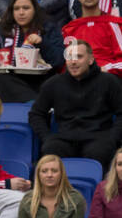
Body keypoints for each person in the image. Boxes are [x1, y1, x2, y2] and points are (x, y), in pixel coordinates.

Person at [31, 39, 122, 169]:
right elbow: (36, 114)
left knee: (101, 151)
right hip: (64, 138)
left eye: (79, 57)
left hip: (98, 138)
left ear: (90, 60)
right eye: (69, 57)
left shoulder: (109, 82)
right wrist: (47, 137)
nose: (73, 62)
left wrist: (113, 138)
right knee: (50, 149)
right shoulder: (53, 84)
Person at [0, 0, 66, 103]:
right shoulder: (4, 30)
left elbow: (59, 60)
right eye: (16, 9)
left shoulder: (48, 28)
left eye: (26, 8)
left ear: (35, 10)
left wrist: (42, 43)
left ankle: (35, 104)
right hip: (10, 80)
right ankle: (34, 103)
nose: (21, 13)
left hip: (41, 81)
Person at [61, 0, 122, 75]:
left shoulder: (114, 24)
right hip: (78, 79)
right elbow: (66, 62)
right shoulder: (69, 29)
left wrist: (106, 69)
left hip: (107, 77)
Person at [17, 153, 88, 218]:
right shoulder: (27, 200)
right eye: (44, 171)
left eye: (54, 171)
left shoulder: (75, 199)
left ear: (61, 174)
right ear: (38, 175)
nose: (49, 175)